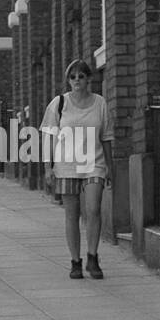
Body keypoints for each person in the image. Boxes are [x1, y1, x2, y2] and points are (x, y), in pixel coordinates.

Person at [41, 59, 114, 279]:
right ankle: (75, 261)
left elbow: (107, 137)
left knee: (93, 210)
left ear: (89, 79)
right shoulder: (59, 103)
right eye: (72, 77)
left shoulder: (100, 103)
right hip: (66, 165)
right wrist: (48, 167)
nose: (76, 81)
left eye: (81, 76)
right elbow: (48, 135)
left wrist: (110, 167)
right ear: (68, 80)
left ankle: (93, 257)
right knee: (72, 214)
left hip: (94, 163)